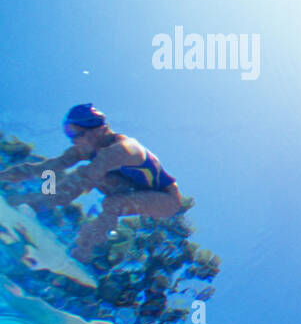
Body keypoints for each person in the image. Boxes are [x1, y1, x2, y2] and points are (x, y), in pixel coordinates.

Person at [0, 104, 184, 263]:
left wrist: (35, 202)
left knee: (109, 198)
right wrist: (4, 176)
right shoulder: (87, 148)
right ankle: (39, 208)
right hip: (130, 187)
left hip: (167, 200)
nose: (72, 140)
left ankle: (85, 253)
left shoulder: (125, 149)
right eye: (68, 134)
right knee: (93, 179)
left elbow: (84, 178)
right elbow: (48, 167)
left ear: (98, 130)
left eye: (75, 133)